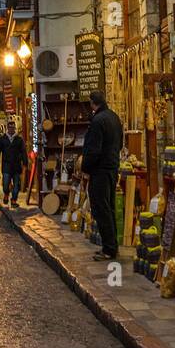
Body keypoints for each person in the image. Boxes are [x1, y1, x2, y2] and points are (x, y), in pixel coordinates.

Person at [81, 90, 123, 260]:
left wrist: (85, 167)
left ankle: (108, 249)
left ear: (92, 103)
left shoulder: (98, 121)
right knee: (109, 207)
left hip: (100, 170)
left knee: (101, 208)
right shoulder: (114, 117)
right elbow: (119, 143)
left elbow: (93, 150)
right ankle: (112, 246)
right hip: (112, 167)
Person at [0, 119, 28, 207]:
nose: (11, 129)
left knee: (16, 186)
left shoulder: (19, 139)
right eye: (10, 127)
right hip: (6, 165)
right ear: (7, 128)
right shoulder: (3, 139)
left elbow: (23, 152)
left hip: (16, 165)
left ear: (15, 128)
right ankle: (6, 194)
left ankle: (14, 200)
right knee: (6, 184)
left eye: (13, 127)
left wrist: (25, 163)